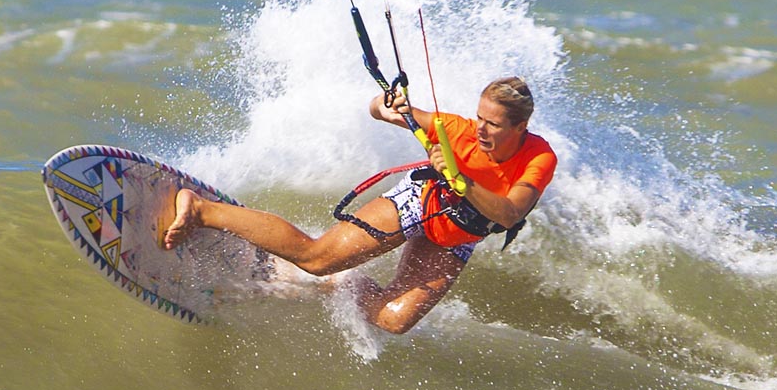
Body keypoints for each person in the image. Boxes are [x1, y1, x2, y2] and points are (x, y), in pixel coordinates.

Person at [163, 76, 557, 334]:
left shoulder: (539, 158)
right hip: (421, 202)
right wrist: (388, 102)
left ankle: (341, 283)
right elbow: (380, 111)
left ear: (520, 128)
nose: (481, 129)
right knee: (316, 258)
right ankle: (202, 210)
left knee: (394, 320)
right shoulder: (456, 130)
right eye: (479, 118)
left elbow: (509, 212)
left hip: (458, 234)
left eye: (493, 124)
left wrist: (462, 179)